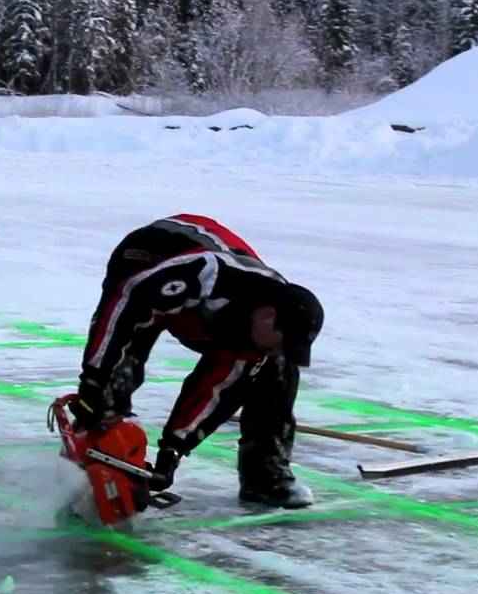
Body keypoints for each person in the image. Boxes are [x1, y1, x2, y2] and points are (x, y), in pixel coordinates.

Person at [67, 214, 324, 509]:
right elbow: (122, 318)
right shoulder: (208, 275)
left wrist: (173, 451)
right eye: (280, 341)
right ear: (268, 317)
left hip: (205, 317)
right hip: (148, 258)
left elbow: (217, 390)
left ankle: (265, 477)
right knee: (119, 368)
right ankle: (98, 446)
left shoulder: (267, 329)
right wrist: (95, 382)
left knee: (277, 369)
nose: (277, 349)